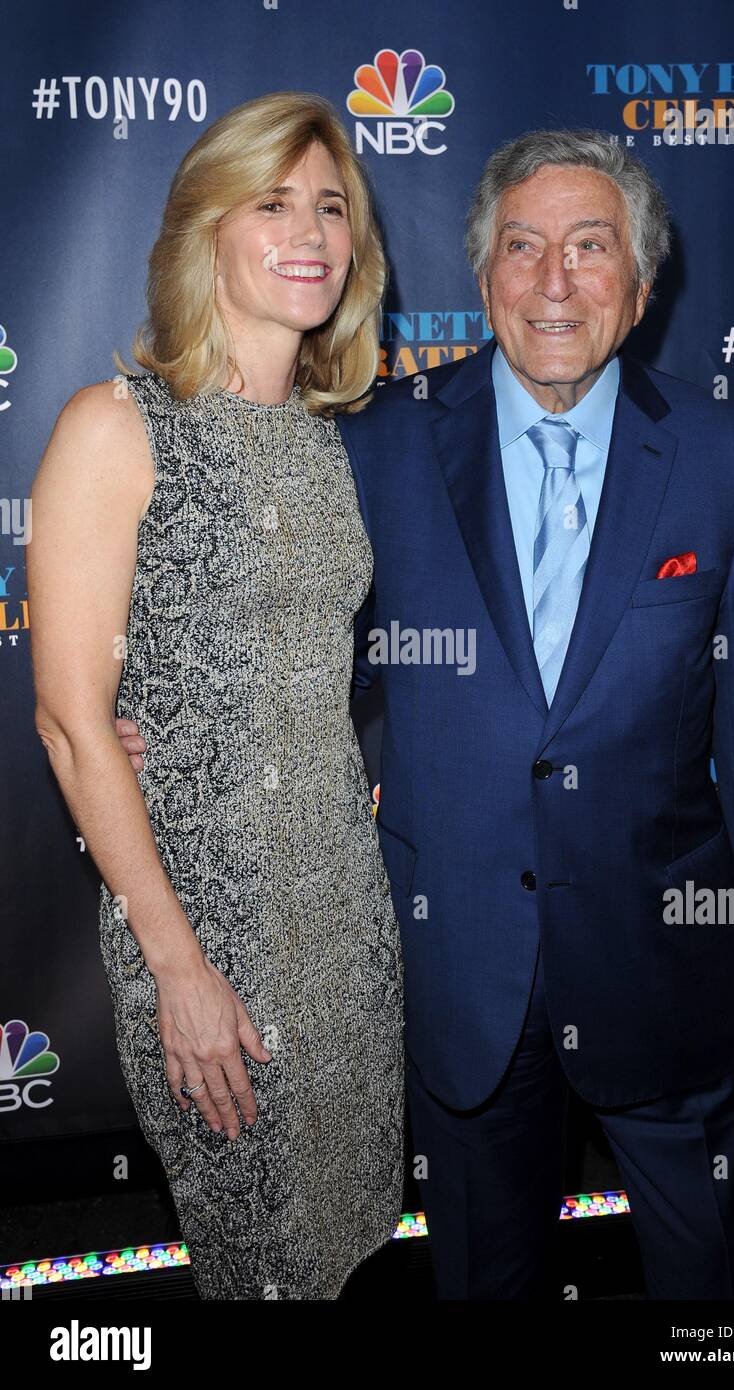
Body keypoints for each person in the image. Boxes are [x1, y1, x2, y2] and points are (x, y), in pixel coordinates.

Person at [120, 127, 734, 1301]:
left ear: (639, 288)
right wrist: (181, 723)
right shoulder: (377, 441)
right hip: (455, 973)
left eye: (588, 249)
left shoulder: (726, 454)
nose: (553, 282)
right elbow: (290, 637)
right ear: (481, 275)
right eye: (521, 247)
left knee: (709, 1287)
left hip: (665, 963)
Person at [27, 91, 404, 1300]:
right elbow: (72, 720)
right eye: (272, 201)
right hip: (208, 927)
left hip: (341, 911)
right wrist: (179, 967)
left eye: (330, 206)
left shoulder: (323, 437)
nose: (309, 231)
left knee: (346, 1238)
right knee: (264, 1261)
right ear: (207, 231)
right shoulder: (113, 428)